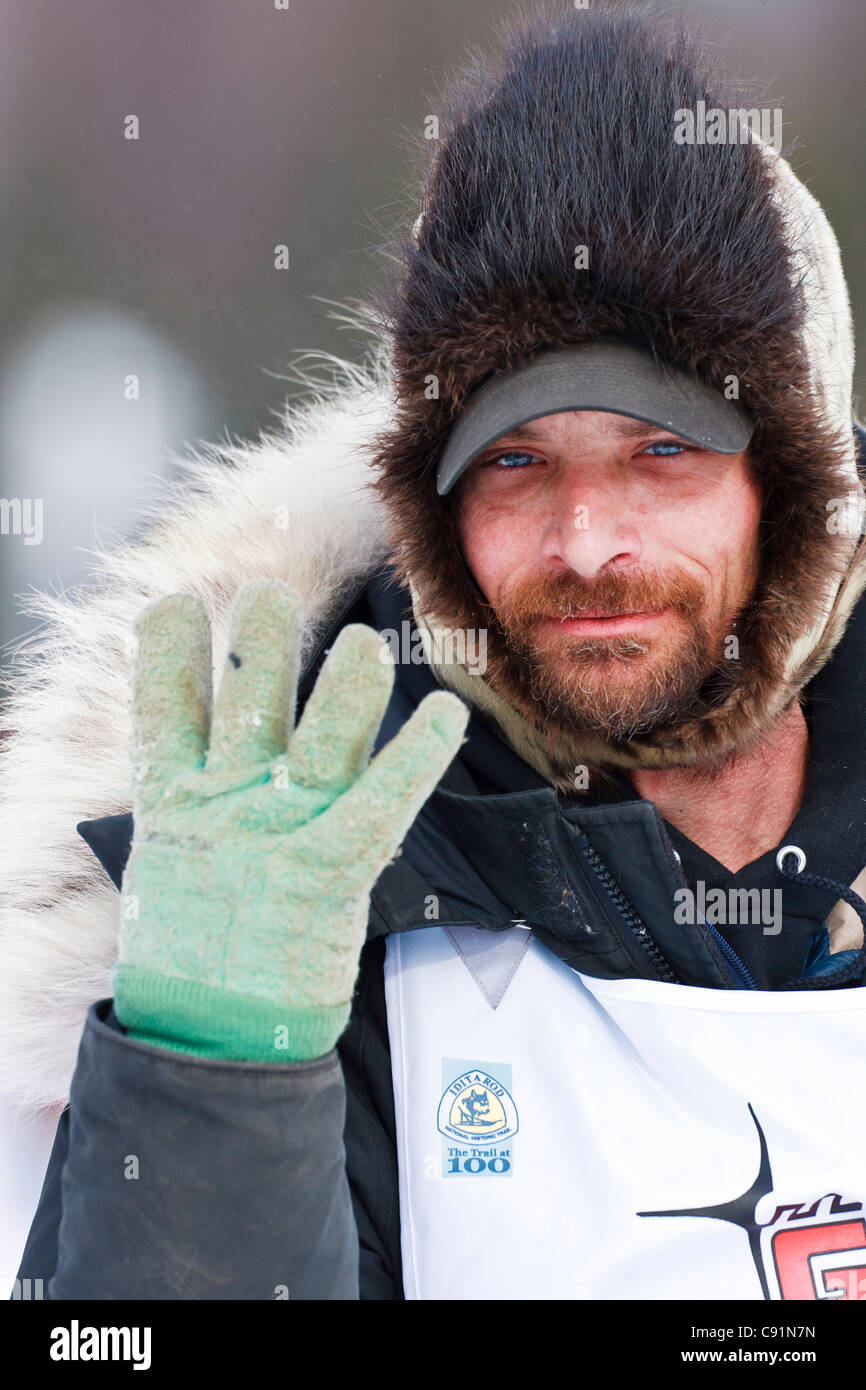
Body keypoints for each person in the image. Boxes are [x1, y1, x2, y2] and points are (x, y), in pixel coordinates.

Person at [5, 5, 866, 1301]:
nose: (585, 541)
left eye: (661, 454)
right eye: (515, 462)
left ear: (793, 486)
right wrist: (217, 1086)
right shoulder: (312, 866)